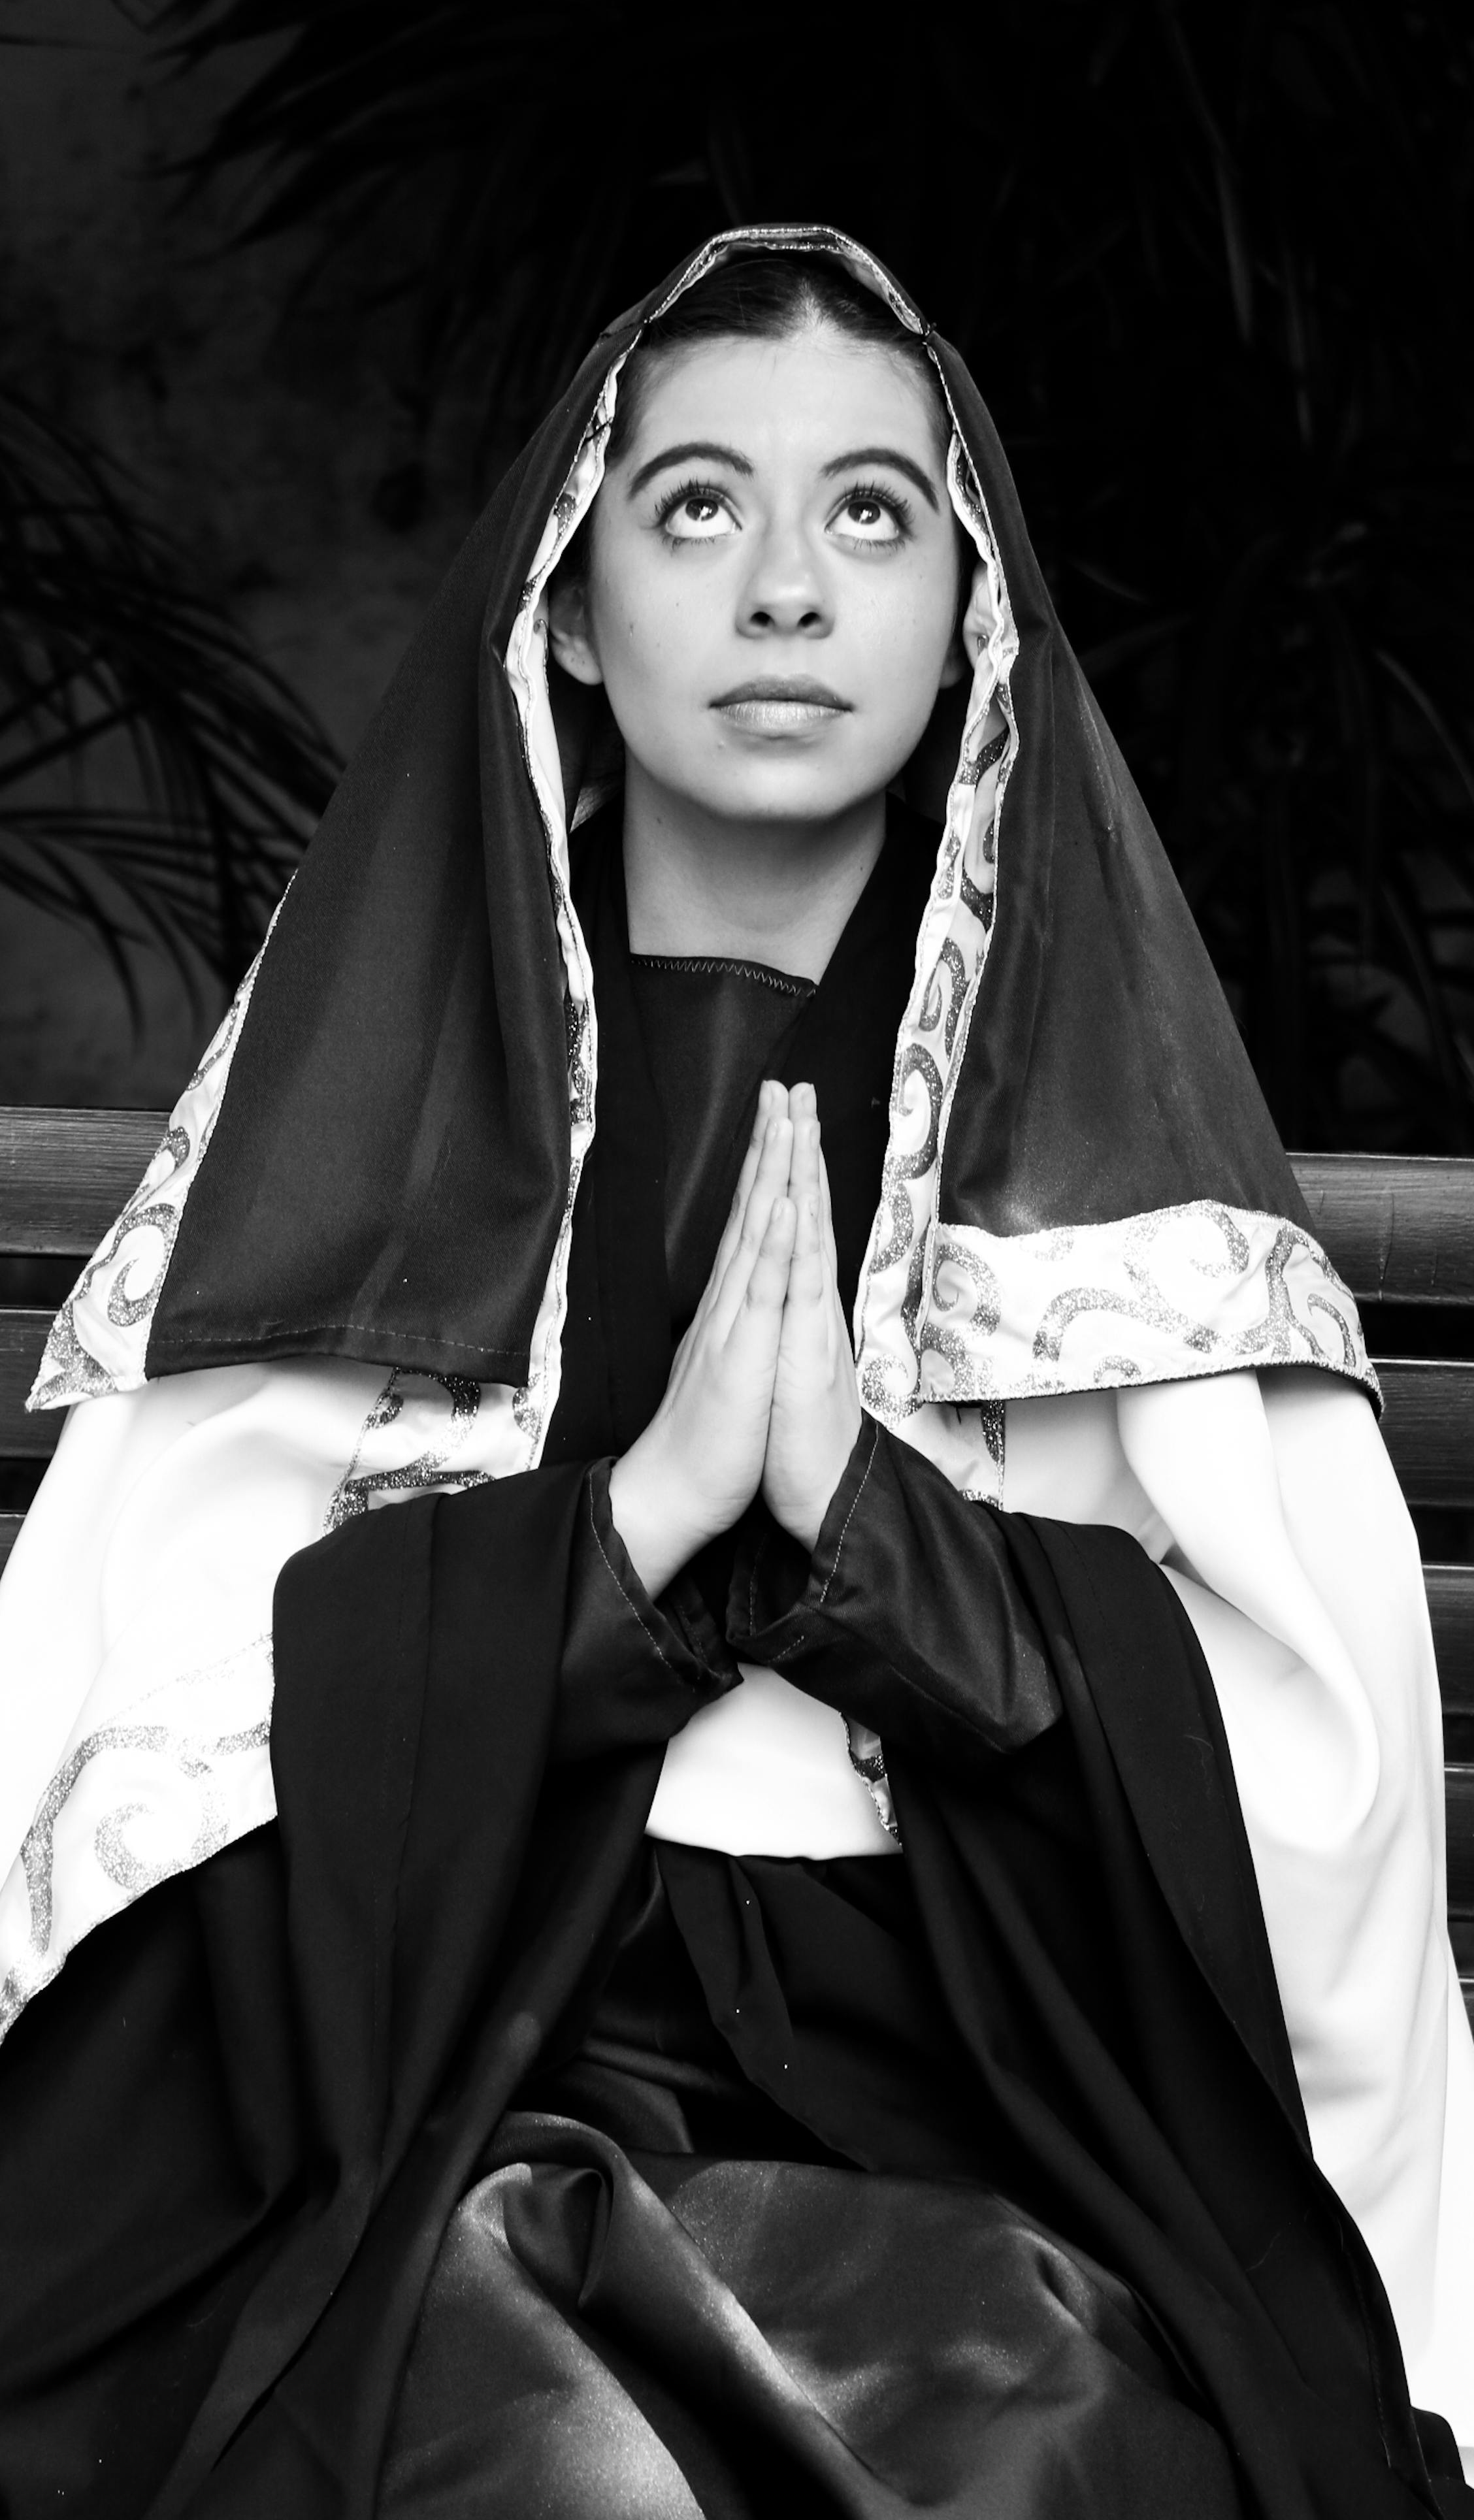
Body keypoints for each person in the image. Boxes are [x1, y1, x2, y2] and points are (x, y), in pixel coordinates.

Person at [0, 227, 1468, 2518]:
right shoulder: (372, 1119)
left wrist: (888, 1551)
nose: (788, 588)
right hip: (446, 2134)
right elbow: (123, 1784)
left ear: (966, 618)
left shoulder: (1099, 1158)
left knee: (1066, 2442)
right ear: (568, 615)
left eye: (871, 512)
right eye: (698, 505)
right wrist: (629, 1542)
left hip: (1007, 2155)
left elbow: (1317, 1817)